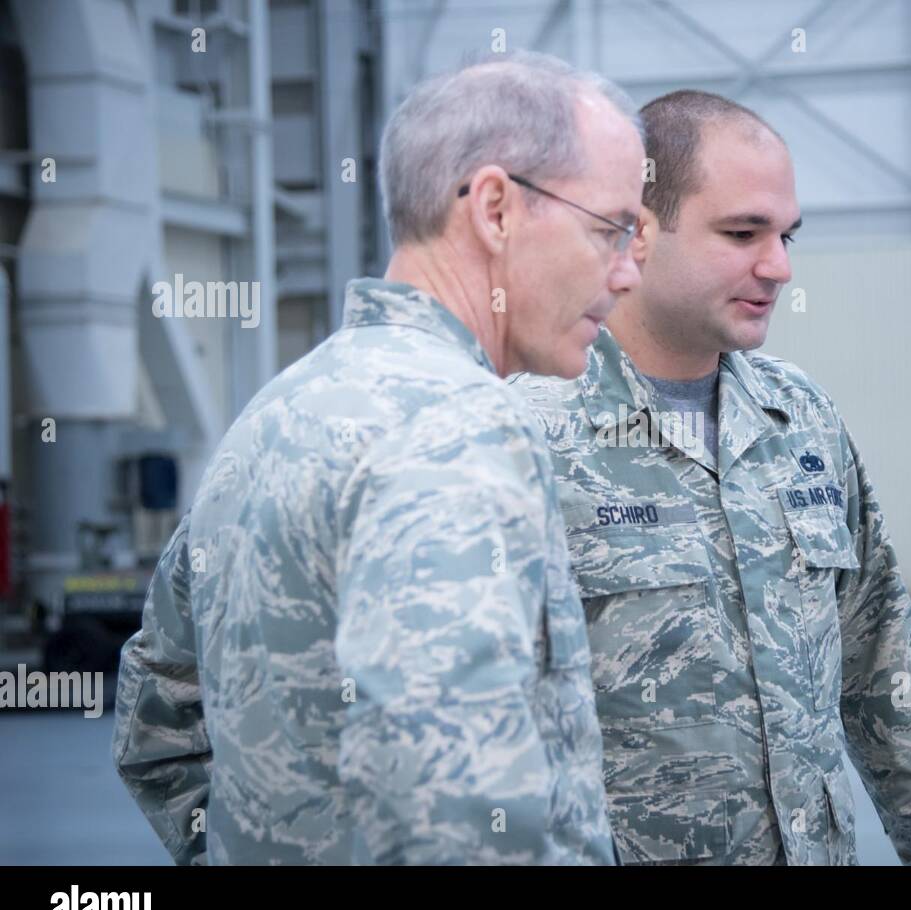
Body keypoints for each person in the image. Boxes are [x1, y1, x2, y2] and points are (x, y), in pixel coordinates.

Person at [112, 52, 645, 864]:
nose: (630, 272)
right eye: (610, 228)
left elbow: (155, 718)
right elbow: (452, 806)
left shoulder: (272, 415)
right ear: (495, 208)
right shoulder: (459, 428)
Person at [515, 90, 911, 865]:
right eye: (743, 233)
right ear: (638, 231)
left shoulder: (801, 419)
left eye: (786, 235)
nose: (778, 266)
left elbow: (888, 670)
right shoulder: (524, 439)